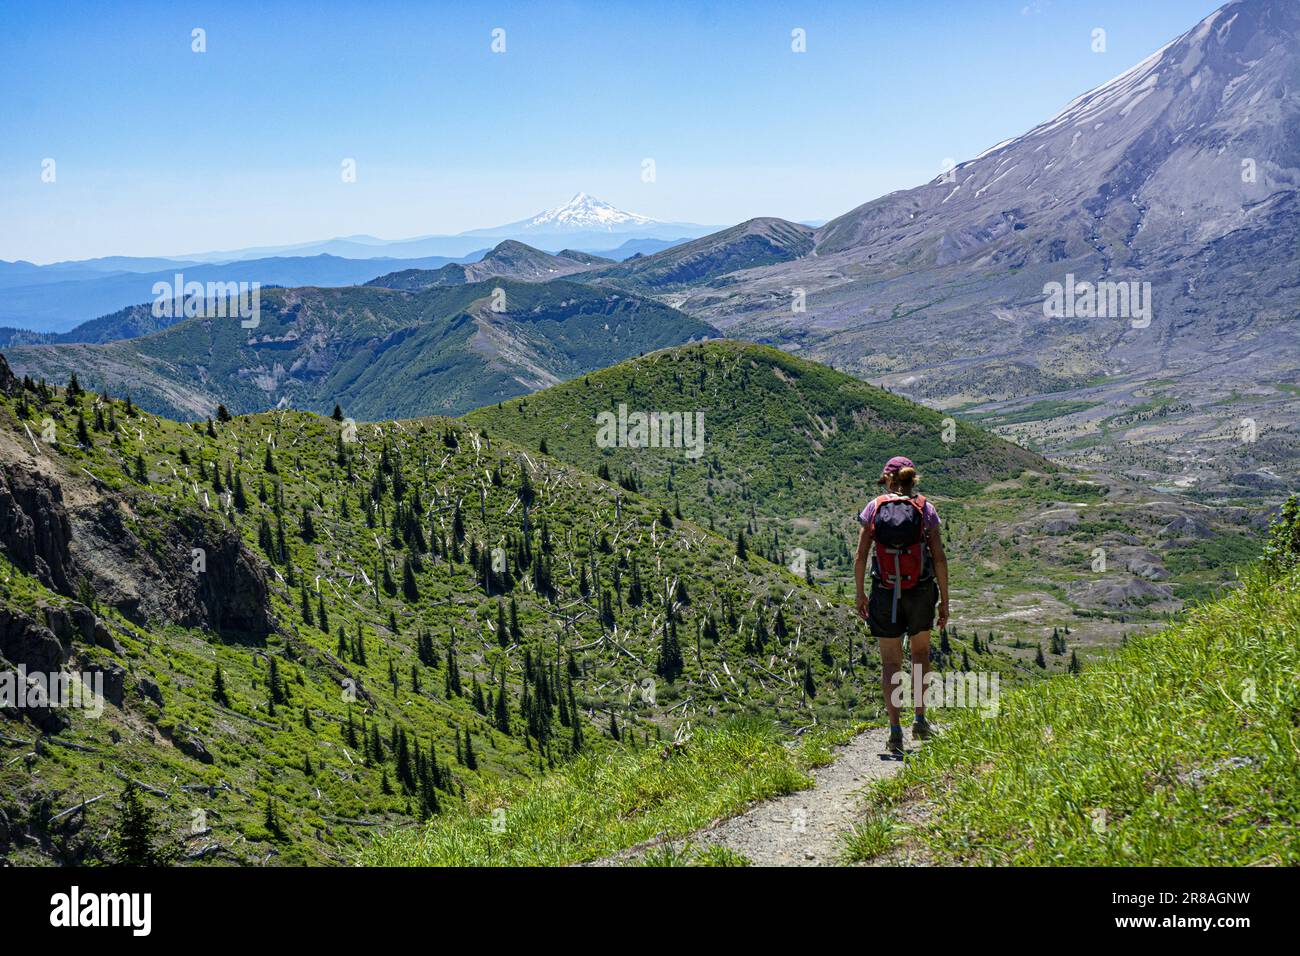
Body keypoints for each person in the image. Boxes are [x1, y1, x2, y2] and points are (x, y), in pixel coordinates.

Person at [854, 456, 949, 754]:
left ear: (887, 479)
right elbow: (939, 557)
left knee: (890, 664)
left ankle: (895, 731)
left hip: (884, 592)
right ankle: (920, 720)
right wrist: (945, 600)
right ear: (912, 479)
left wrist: (860, 594)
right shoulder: (925, 508)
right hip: (920, 591)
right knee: (920, 655)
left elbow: (860, 556)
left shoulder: (874, 507)